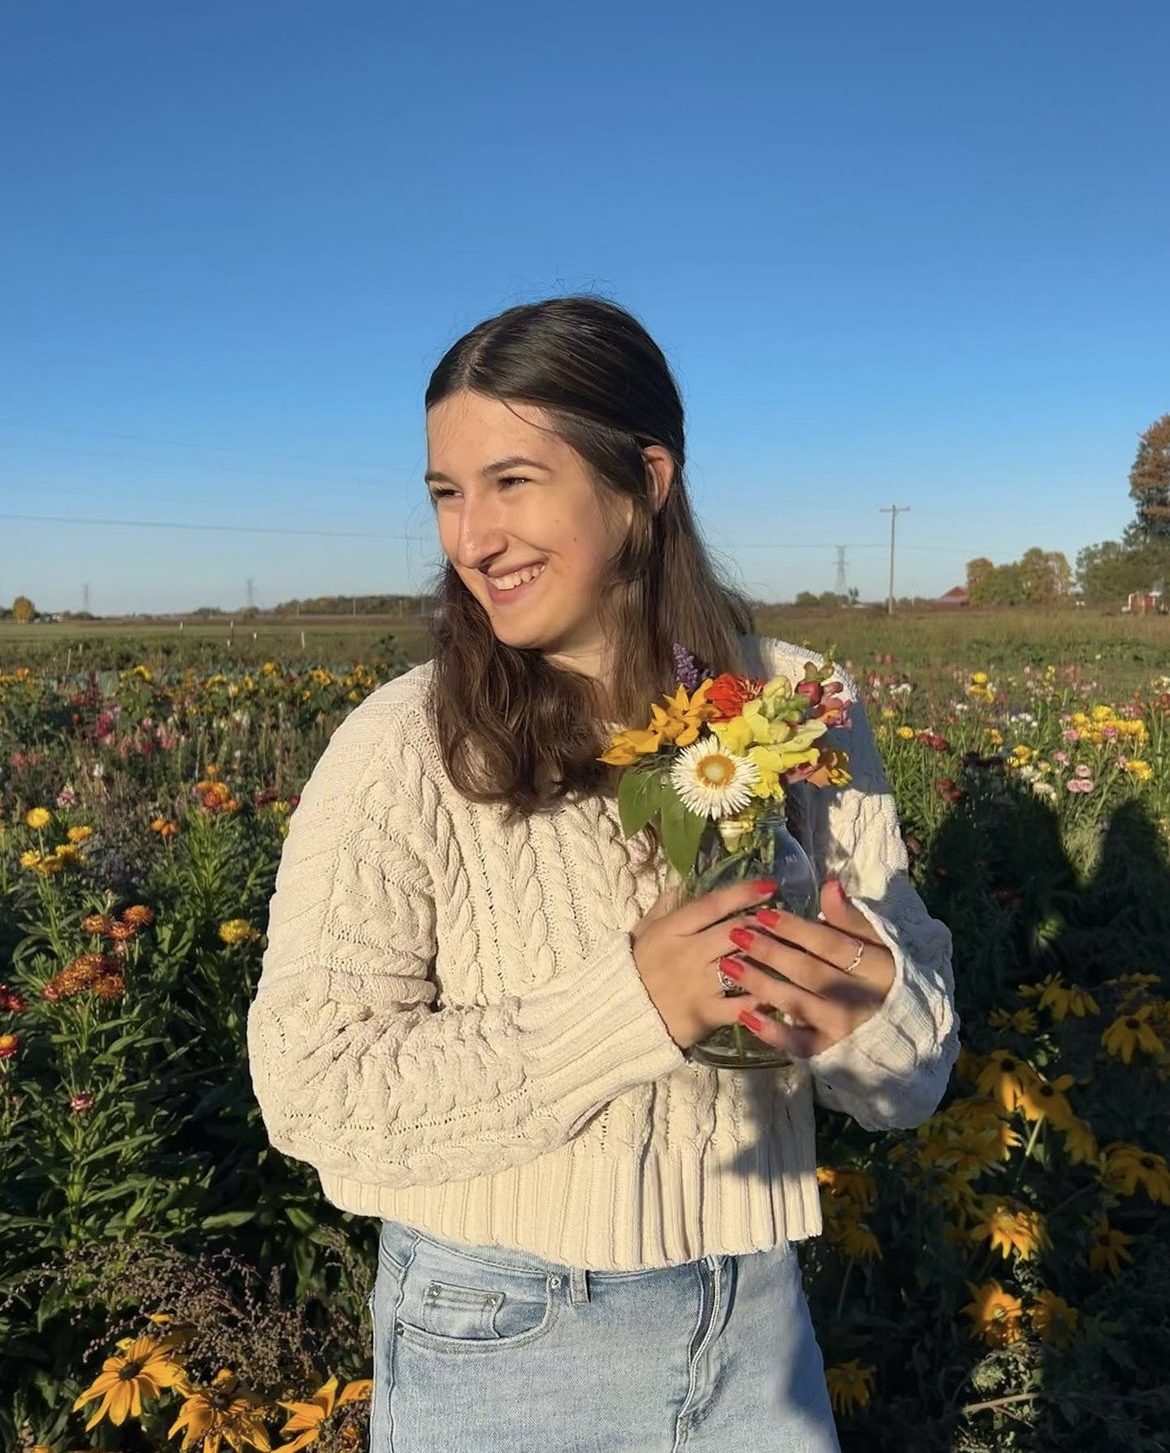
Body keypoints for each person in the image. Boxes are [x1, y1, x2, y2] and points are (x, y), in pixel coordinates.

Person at [246, 295, 958, 1452]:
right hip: (503, 1340)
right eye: (447, 493)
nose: (473, 536)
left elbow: (913, 1080)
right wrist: (636, 1005)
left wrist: (867, 1019)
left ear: (645, 481)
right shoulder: (406, 744)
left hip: (758, 1323)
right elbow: (311, 1090)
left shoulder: (799, 705)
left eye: (514, 481)